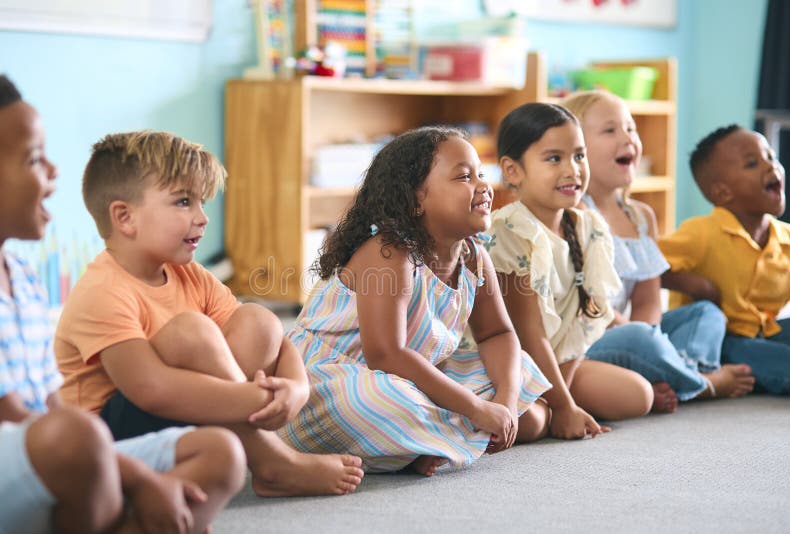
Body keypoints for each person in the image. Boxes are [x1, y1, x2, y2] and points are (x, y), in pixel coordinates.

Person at [54, 129, 364, 496]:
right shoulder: (102, 291)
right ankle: (274, 461)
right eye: (184, 202)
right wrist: (260, 399)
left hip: (185, 418)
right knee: (193, 332)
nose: (202, 217)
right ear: (125, 218)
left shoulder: (189, 274)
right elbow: (151, 390)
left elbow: (277, 343)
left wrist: (296, 389)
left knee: (258, 320)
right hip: (108, 441)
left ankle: (261, 453)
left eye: (201, 202)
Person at [0, 74, 245, 533]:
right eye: (34, 159)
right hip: (37, 453)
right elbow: (18, 418)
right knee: (77, 436)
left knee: (223, 454)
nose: (54, 171)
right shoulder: (101, 286)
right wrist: (140, 477)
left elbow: (49, 402)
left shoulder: (24, 279)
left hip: (65, 447)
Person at [277, 126, 552, 476]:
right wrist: (475, 408)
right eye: (464, 177)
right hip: (332, 384)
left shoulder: (474, 257)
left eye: (481, 174)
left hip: (411, 378)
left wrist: (506, 402)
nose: (482, 186)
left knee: (522, 372)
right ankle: (446, 435)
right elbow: (386, 355)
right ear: (416, 199)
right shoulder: (390, 253)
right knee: (375, 399)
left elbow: (497, 335)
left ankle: (425, 443)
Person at [562, 90, 754, 410]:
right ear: (575, 150)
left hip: (638, 334)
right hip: (593, 338)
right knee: (639, 339)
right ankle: (703, 383)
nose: (627, 138)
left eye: (631, 128)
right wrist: (643, 338)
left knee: (706, 313)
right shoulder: (575, 213)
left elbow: (649, 301)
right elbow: (592, 310)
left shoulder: (641, 216)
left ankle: (676, 373)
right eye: (610, 130)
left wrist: (649, 335)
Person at [488, 102, 655, 439]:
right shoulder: (507, 230)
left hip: (556, 362)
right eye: (554, 158)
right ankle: (544, 407)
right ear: (513, 171)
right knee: (533, 423)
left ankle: (550, 401)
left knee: (640, 395)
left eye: (579, 156)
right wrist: (563, 407)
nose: (572, 170)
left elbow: (584, 322)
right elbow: (529, 334)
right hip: (501, 364)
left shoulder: (588, 226)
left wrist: (560, 392)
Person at [659, 124, 790, 396]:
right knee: (764, 355)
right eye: (752, 163)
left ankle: (766, 372)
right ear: (722, 192)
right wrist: (696, 285)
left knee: (769, 350)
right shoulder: (701, 232)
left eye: (770, 156)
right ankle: (715, 373)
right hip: (719, 342)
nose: (771, 166)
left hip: (767, 333)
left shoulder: (789, 238)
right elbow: (648, 266)